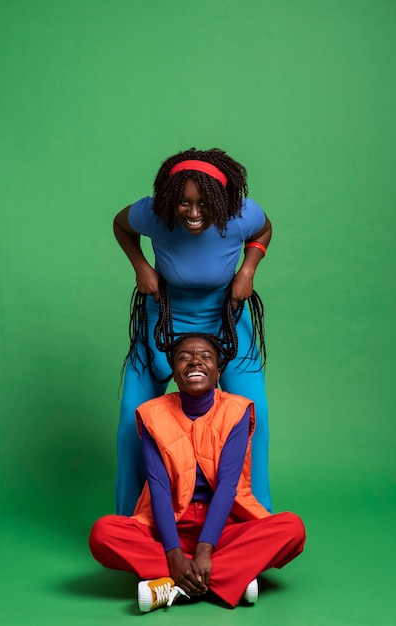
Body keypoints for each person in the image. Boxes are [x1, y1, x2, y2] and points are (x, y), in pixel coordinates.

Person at [89, 334, 305, 612]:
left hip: (223, 526)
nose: (194, 361)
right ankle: (228, 578)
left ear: (218, 370)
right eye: (183, 357)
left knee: (292, 528)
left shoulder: (236, 411)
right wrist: (174, 553)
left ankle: (172, 585)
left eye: (205, 356)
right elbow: (158, 488)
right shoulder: (153, 413)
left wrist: (204, 550)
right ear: (174, 374)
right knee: (103, 533)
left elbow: (228, 486)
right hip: (168, 527)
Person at [114, 147, 273, 516]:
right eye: (184, 203)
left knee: (256, 416)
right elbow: (120, 225)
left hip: (226, 316)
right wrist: (141, 265)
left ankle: (256, 519)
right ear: (170, 200)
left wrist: (248, 271)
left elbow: (264, 230)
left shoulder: (243, 213)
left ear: (221, 199)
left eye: (204, 204)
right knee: (129, 419)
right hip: (164, 316)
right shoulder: (151, 213)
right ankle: (131, 523)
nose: (194, 213)